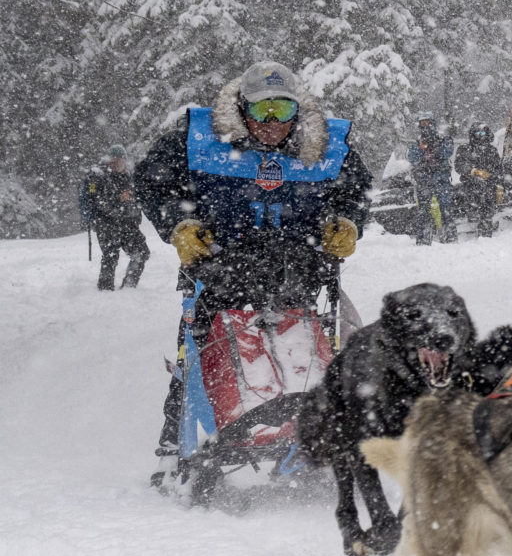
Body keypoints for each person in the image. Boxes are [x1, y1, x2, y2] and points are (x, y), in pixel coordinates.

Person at [134, 61, 371, 463]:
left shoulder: (326, 147)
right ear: (242, 108)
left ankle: (306, 425)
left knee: (302, 344)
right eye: (263, 109)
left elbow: (357, 190)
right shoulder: (200, 140)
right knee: (199, 354)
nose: (273, 122)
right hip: (218, 270)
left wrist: (348, 221)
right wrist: (179, 224)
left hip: (297, 270)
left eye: (284, 109)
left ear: (298, 110)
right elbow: (151, 180)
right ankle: (175, 444)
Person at [79, 145, 150, 290]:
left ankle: (129, 286)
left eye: (119, 160)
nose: (115, 163)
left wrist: (132, 201)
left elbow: (137, 197)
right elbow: (96, 199)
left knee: (141, 252)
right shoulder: (98, 176)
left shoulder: (129, 176)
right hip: (106, 223)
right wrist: (118, 200)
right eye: (113, 160)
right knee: (111, 256)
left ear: (124, 160)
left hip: (128, 222)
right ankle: (105, 290)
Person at [453, 120, 510, 237]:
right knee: (478, 190)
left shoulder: (491, 150)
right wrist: (473, 171)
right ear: (472, 134)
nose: (480, 136)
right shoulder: (465, 149)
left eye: (483, 133)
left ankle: (487, 220)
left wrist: (491, 175)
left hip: (490, 182)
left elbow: (498, 167)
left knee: (493, 189)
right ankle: (480, 218)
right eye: (478, 133)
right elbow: (459, 165)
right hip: (470, 181)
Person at [409, 113, 455, 244]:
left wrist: (435, 145)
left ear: (432, 122)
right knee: (423, 210)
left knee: (446, 208)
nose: (425, 125)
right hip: (424, 179)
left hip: (441, 178)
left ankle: (450, 236)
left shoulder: (442, 138)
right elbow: (412, 157)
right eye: (422, 122)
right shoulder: (417, 141)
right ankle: (423, 238)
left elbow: (448, 152)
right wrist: (420, 148)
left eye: (427, 122)